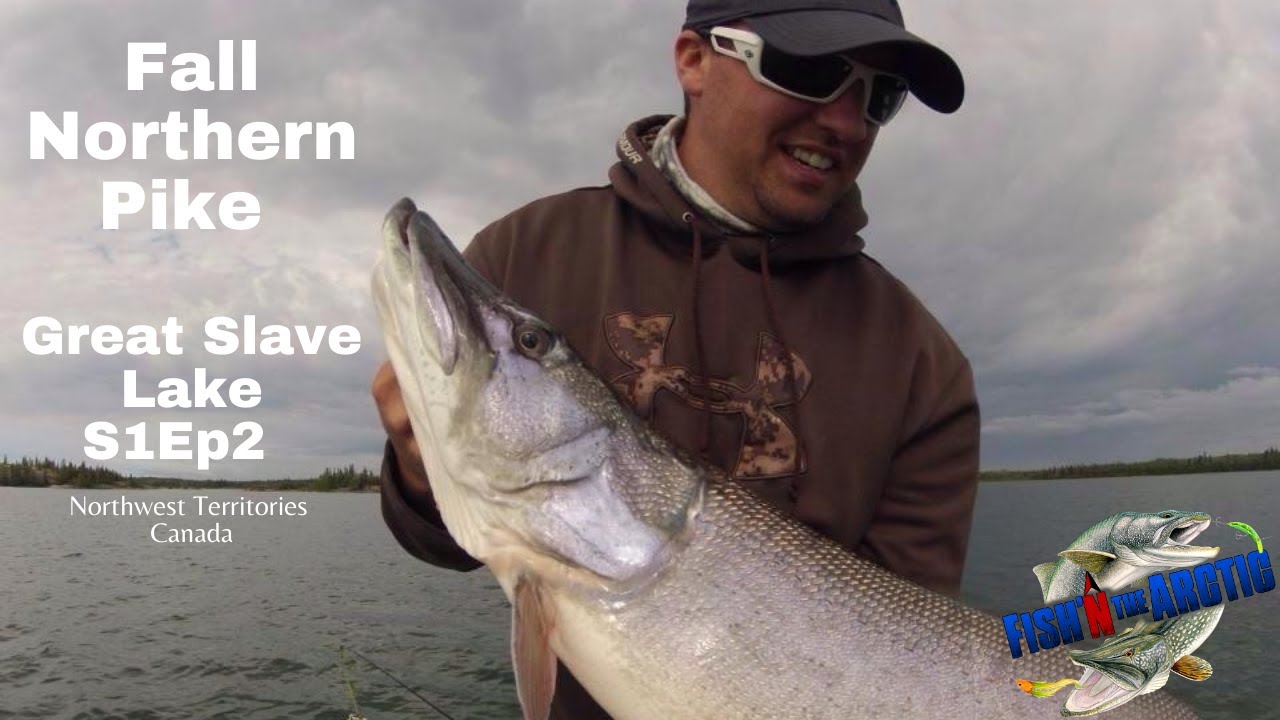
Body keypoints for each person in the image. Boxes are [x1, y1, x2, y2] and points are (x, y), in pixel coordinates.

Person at [372, 0, 978, 717]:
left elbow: (908, 651)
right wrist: (418, 468)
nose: (847, 122)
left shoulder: (921, 363)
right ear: (693, 60)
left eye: (880, 96)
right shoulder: (529, 252)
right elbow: (445, 537)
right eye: (811, 71)